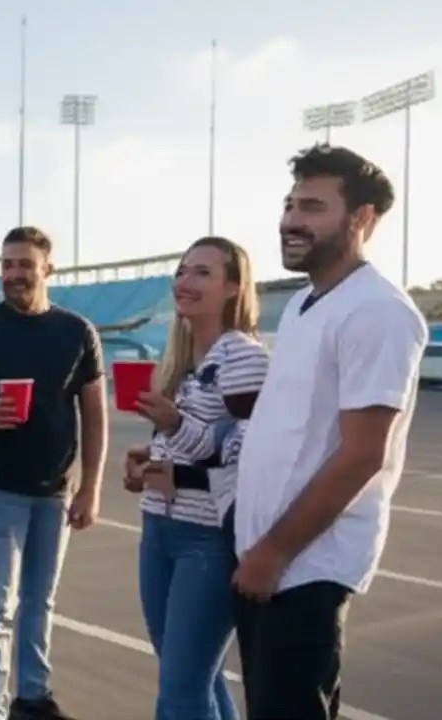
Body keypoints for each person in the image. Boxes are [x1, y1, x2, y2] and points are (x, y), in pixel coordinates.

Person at [232, 144, 427, 720]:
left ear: (360, 218)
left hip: (307, 565)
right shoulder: (301, 306)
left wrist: (274, 551)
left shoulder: (378, 312)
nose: (292, 220)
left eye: (313, 207)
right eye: (291, 204)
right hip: (264, 555)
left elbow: (363, 454)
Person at [0, 226, 108, 720]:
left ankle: (33, 698)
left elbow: (95, 414)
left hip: (55, 491)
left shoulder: (77, 332)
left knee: (41, 602)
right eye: (7, 264)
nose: (14, 274)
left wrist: (91, 487)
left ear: (47, 268)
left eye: (24, 264)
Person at [121, 236, 267, 720]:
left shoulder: (244, 357)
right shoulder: (184, 361)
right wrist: (151, 458)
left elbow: (245, 456)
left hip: (206, 539)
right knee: (192, 682)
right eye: (183, 271)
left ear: (233, 288)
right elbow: (200, 444)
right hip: (159, 527)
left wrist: (173, 426)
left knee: (180, 694)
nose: (185, 282)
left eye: (203, 273)